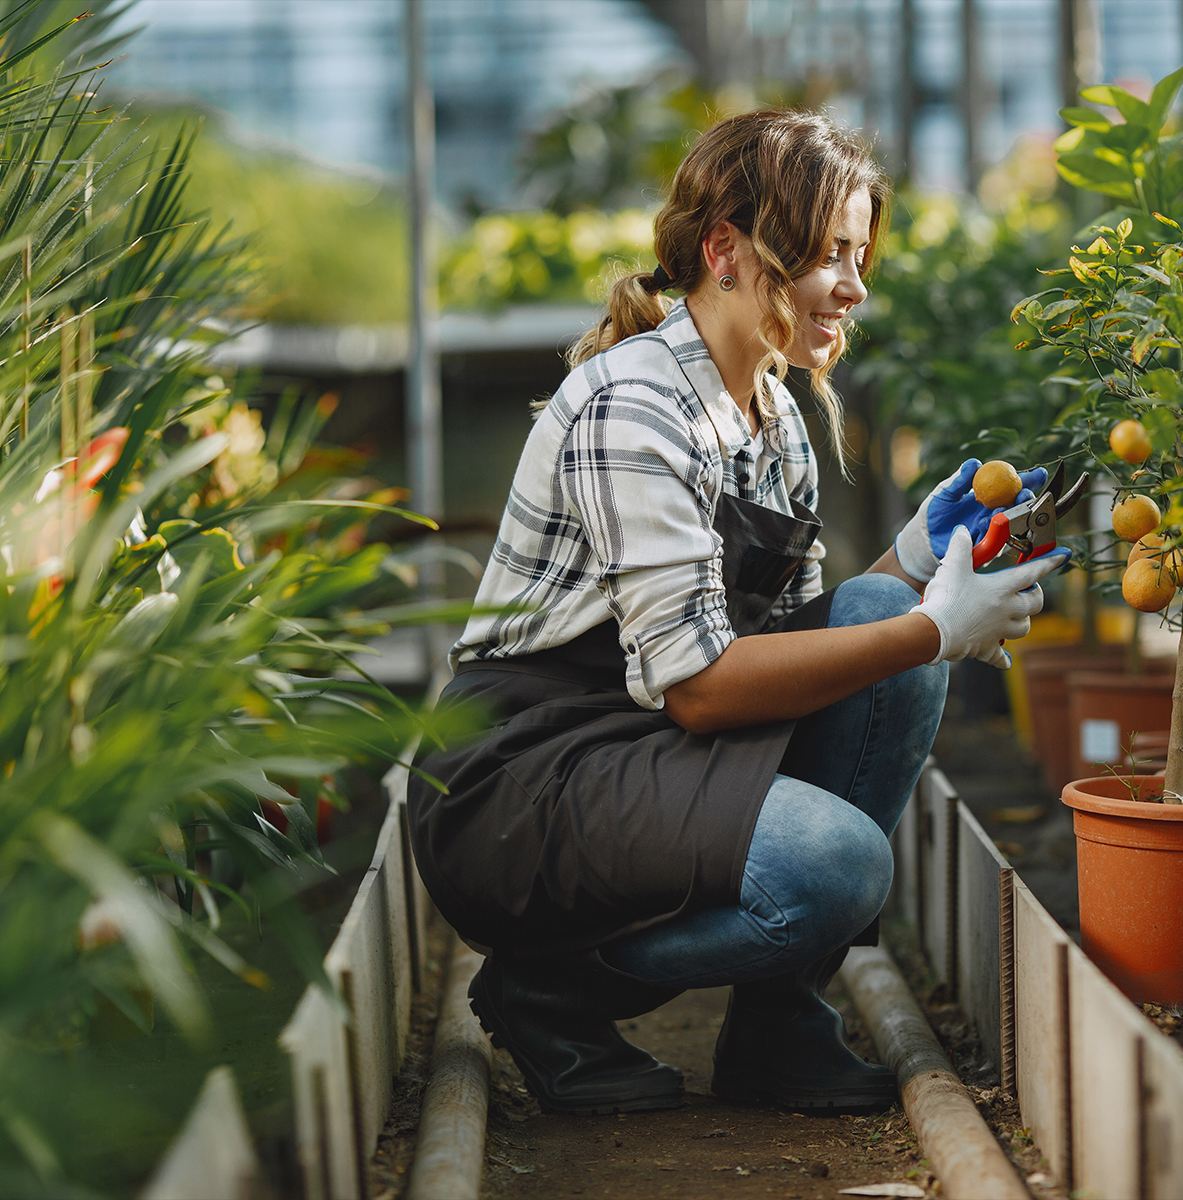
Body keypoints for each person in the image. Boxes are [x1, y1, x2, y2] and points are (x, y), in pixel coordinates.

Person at [408, 109, 1068, 1118]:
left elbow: (799, 656)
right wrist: (936, 627)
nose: (854, 284)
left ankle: (777, 1028)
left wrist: (915, 568)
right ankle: (551, 990)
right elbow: (705, 691)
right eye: (825, 253)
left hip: (646, 748)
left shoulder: (772, 412)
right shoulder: (633, 407)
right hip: (530, 777)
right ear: (724, 251)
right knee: (836, 861)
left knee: (877, 612)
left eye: (859, 255)